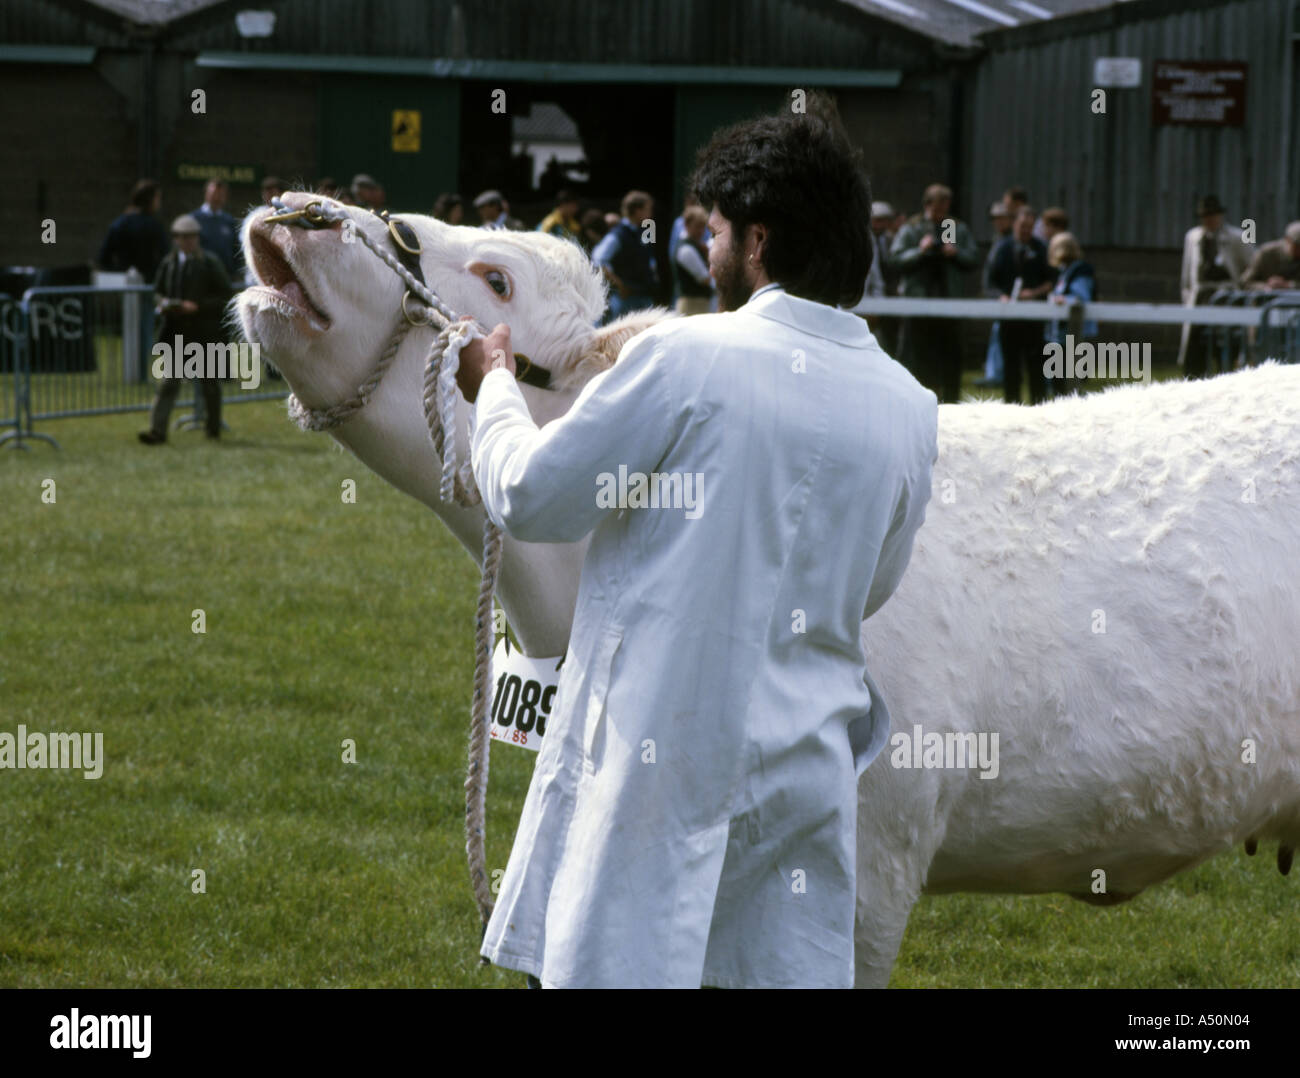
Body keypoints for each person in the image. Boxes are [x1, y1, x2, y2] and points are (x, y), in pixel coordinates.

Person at [455, 93, 938, 990]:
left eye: (714, 231)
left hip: (660, 754)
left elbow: (530, 497)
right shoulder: (910, 406)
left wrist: (491, 389)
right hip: (804, 765)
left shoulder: (688, 358)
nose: (707, 252)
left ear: (755, 243)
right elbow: (873, 585)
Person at [138, 215, 232, 444]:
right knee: (168, 384)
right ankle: (157, 430)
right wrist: (163, 303)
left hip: (204, 332)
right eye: (184, 237)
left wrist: (198, 306)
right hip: (177, 332)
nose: (189, 241)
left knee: (210, 384)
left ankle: (213, 429)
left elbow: (225, 296)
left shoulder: (210, 263)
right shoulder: (169, 263)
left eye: (192, 237)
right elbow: (157, 290)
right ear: (176, 239)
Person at [890, 183, 979, 403]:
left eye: (946, 206)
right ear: (927, 205)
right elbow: (895, 259)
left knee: (950, 356)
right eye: (938, 207)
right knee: (918, 357)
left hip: (948, 302)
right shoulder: (913, 228)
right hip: (919, 302)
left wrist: (955, 253)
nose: (942, 213)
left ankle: (950, 401)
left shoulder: (953, 227)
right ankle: (916, 401)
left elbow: (972, 258)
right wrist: (920, 251)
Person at [1178, 195, 1252, 377]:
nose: (1209, 220)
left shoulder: (1236, 237)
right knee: (1196, 344)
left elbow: (1250, 266)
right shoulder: (1193, 237)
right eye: (1206, 216)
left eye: (1213, 215)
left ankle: (1225, 372)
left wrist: (1240, 290)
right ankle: (1194, 376)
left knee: (1225, 342)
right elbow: (1188, 271)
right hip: (1201, 295)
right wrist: (1188, 296)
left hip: (1226, 294)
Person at [989, 206, 1055, 405]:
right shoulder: (1002, 248)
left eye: (1029, 226)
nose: (1025, 230)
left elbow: (1052, 280)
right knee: (1011, 368)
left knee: (1036, 367)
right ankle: (1011, 407)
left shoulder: (1042, 248)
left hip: (1034, 318)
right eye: (1022, 226)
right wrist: (1002, 297)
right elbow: (990, 282)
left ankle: (1038, 408)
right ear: (1014, 224)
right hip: (1009, 318)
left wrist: (1033, 294)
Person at [591, 190, 659, 322]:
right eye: (648, 209)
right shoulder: (618, 234)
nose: (651, 213)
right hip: (626, 300)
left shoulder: (644, 229)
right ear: (638, 211)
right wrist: (619, 284)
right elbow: (598, 259)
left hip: (644, 295)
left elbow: (648, 256)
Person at [1046, 231, 1098, 397]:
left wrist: (1063, 299)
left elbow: (1081, 298)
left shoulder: (1081, 271)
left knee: (1071, 387)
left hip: (1075, 337)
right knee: (1059, 385)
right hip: (1061, 337)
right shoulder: (1066, 270)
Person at [97, 180, 168, 281]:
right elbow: (165, 255)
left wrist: (118, 272)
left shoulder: (119, 223)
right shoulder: (154, 225)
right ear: (149, 199)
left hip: (123, 283)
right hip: (148, 283)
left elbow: (103, 258)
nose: (159, 202)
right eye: (157, 197)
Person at [976, 199, 1014, 389]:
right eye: (995, 219)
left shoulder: (1011, 241)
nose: (998, 222)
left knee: (1000, 334)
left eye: (1002, 218)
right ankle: (994, 373)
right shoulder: (997, 239)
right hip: (997, 294)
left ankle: (997, 374)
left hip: (1007, 296)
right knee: (997, 333)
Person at [192, 178, 241, 279]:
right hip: (201, 277)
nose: (217, 198)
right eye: (214, 193)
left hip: (226, 278)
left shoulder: (229, 221)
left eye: (221, 195)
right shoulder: (194, 219)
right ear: (206, 194)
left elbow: (236, 250)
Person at [672, 205, 714, 315]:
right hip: (691, 305)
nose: (701, 231)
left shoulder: (698, 246)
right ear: (686, 225)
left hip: (699, 304)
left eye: (703, 226)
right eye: (697, 226)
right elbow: (705, 279)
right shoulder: (686, 249)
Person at [1243, 221, 1300, 291]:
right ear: (1287, 240)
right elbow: (1245, 282)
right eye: (1297, 246)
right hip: (1265, 300)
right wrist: (1267, 287)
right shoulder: (1267, 253)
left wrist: (1289, 285)